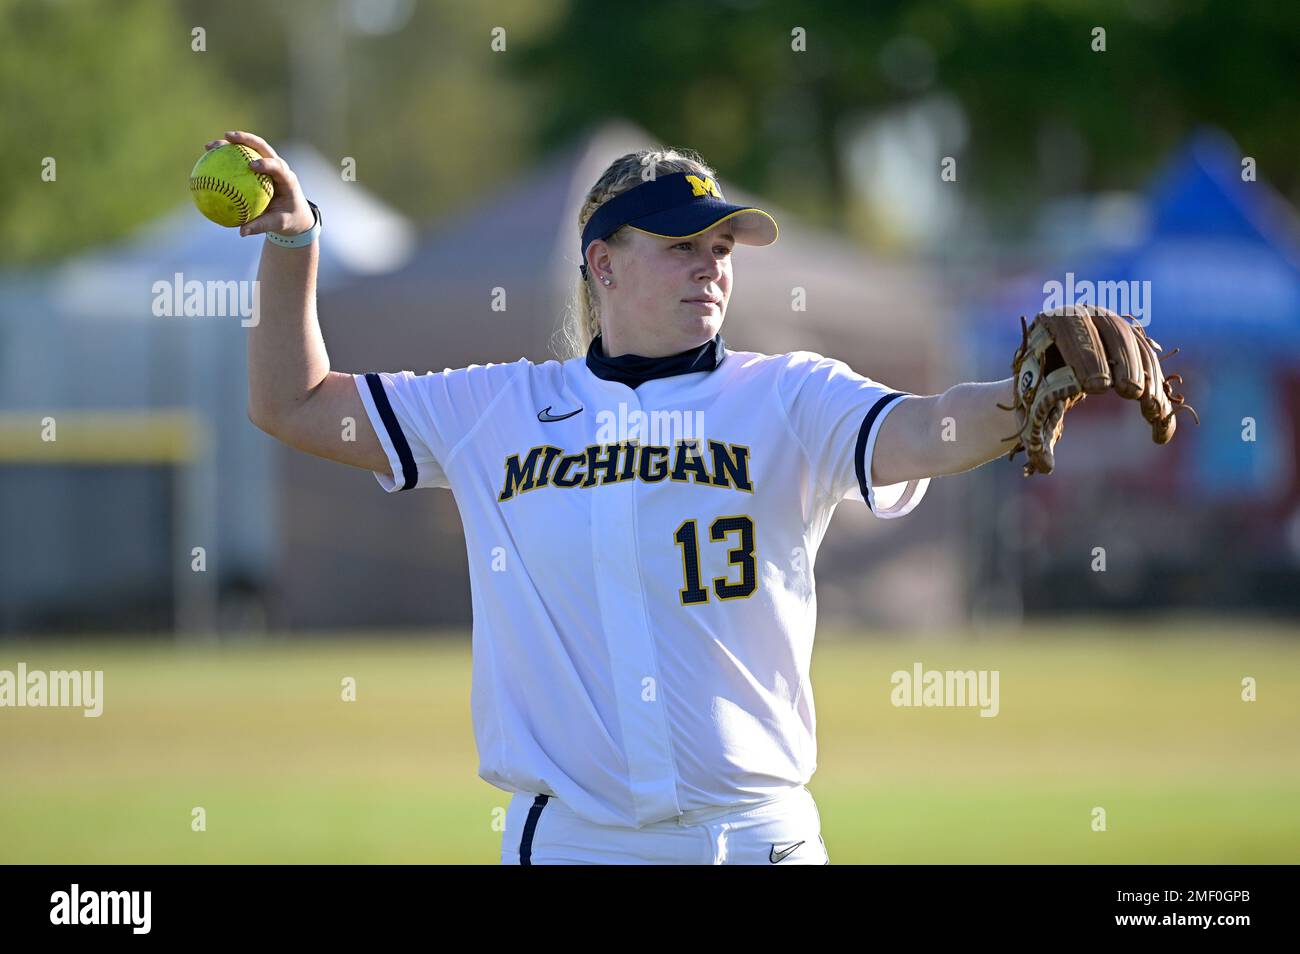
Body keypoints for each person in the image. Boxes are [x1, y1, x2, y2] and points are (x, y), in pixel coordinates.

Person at [218, 129, 1023, 865]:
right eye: (681, 246)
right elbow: (291, 402)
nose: (711, 264)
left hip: (759, 838)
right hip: (576, 845)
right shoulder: (496, 410)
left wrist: (1025, 394)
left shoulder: (789, 394)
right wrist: (295, 243)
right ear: (603, 264)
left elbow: (929, 428)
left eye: (720, 246)